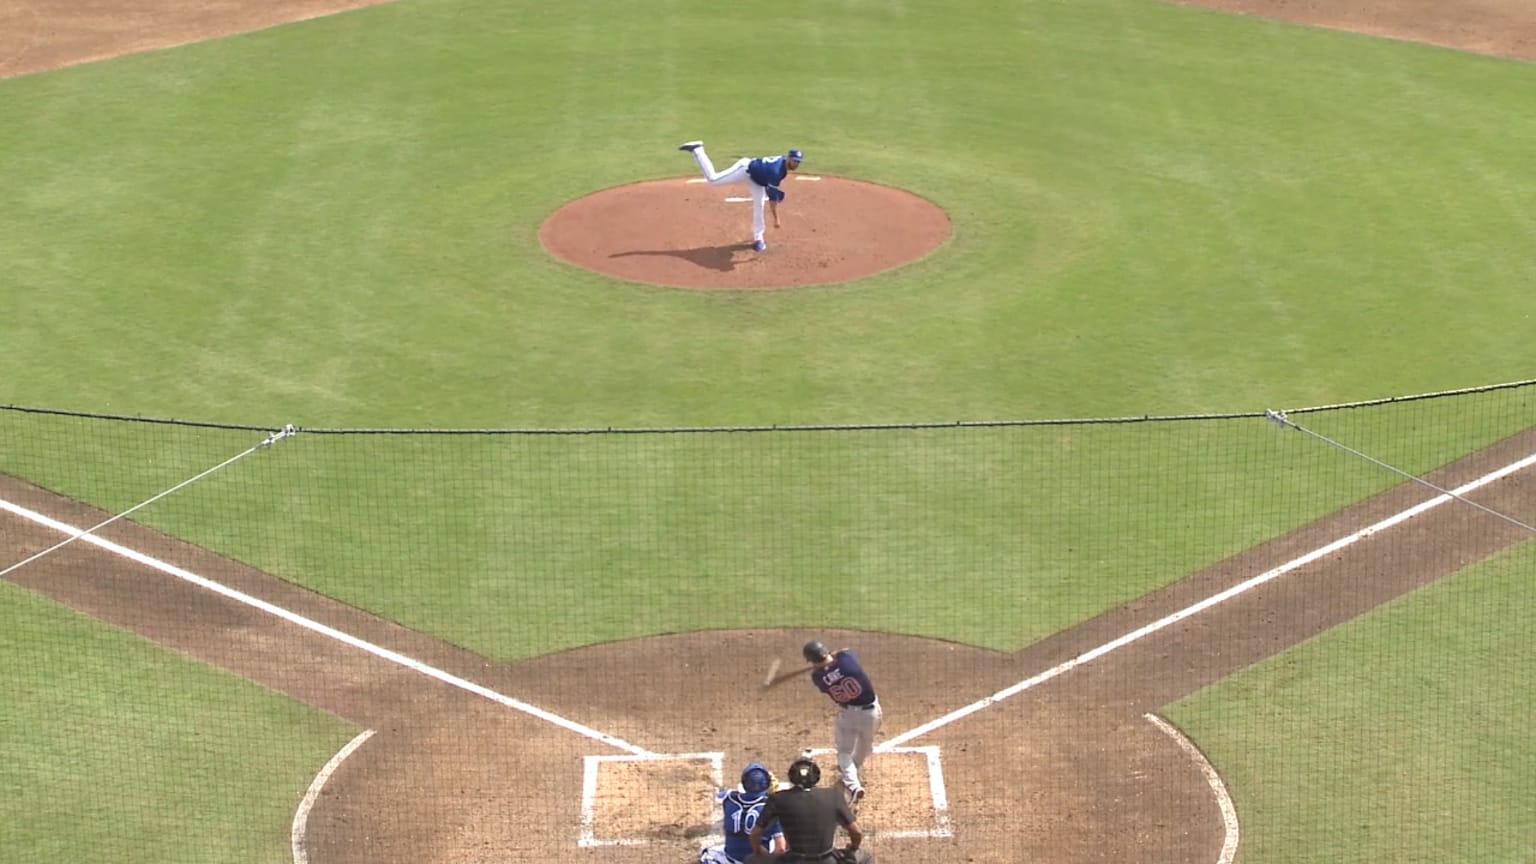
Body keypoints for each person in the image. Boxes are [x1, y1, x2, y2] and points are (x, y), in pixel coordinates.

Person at [677, 140, 803, 251]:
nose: (796, 164)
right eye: (794, 161)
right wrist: (776, 219)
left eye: (798, 162)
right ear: (788, 158)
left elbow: (771, 187)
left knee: (759, 205)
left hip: (757, 180)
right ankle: (698, 150)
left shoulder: (782, 164)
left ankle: (758, 239)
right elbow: (772, 199)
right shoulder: (776, 172)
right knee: (713, 180)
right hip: (744, 170)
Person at [748, 757, 873, 864]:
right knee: (865, 857)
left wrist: (759, 851)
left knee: (751, 860)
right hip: (827, 860)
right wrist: (852, 848)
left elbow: (755, 834)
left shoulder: (778, 798)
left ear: (791, 777)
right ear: (816, 777)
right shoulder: (834, 795)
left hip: (794, 860)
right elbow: (856, 833)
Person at [802, 640, 881, 803]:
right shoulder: (846, 660)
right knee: (866, 744)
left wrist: (820, 667)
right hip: (871, 714)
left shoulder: (817, 677)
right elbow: (846, 651)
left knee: (844, 752)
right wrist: (833, 655)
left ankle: (853, 785)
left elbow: (827, 673)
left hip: (848, 715)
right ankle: (855, 767)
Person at [699, 762, 785, 864]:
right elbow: (780, 848)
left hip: (731, 859)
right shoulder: (772, 808)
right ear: (766, 783)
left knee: (708, 853)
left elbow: (720, 795)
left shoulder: (729, 797)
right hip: (757, 861)